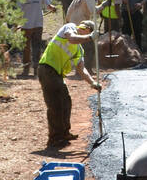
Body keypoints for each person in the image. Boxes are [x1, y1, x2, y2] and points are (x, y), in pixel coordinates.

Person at [37, 20, 103, 151]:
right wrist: (89, 37)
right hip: (47, 68)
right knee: (55, 104)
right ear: (85, 28)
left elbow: (81, 69)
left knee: (66, 102)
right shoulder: (70, 27)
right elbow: (72, 39)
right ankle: (55, 138)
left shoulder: (79, 50)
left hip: (57, 74)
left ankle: (64, 133)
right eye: (89, 33)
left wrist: (93, 83)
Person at [19, 0, 55, 78]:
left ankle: (26, 70)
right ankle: (36, 70)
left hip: (26, 25)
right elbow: (49, 6)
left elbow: (18, 10)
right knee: (36, 46)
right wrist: (54, 9)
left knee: (26, 48)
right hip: (38, 24)